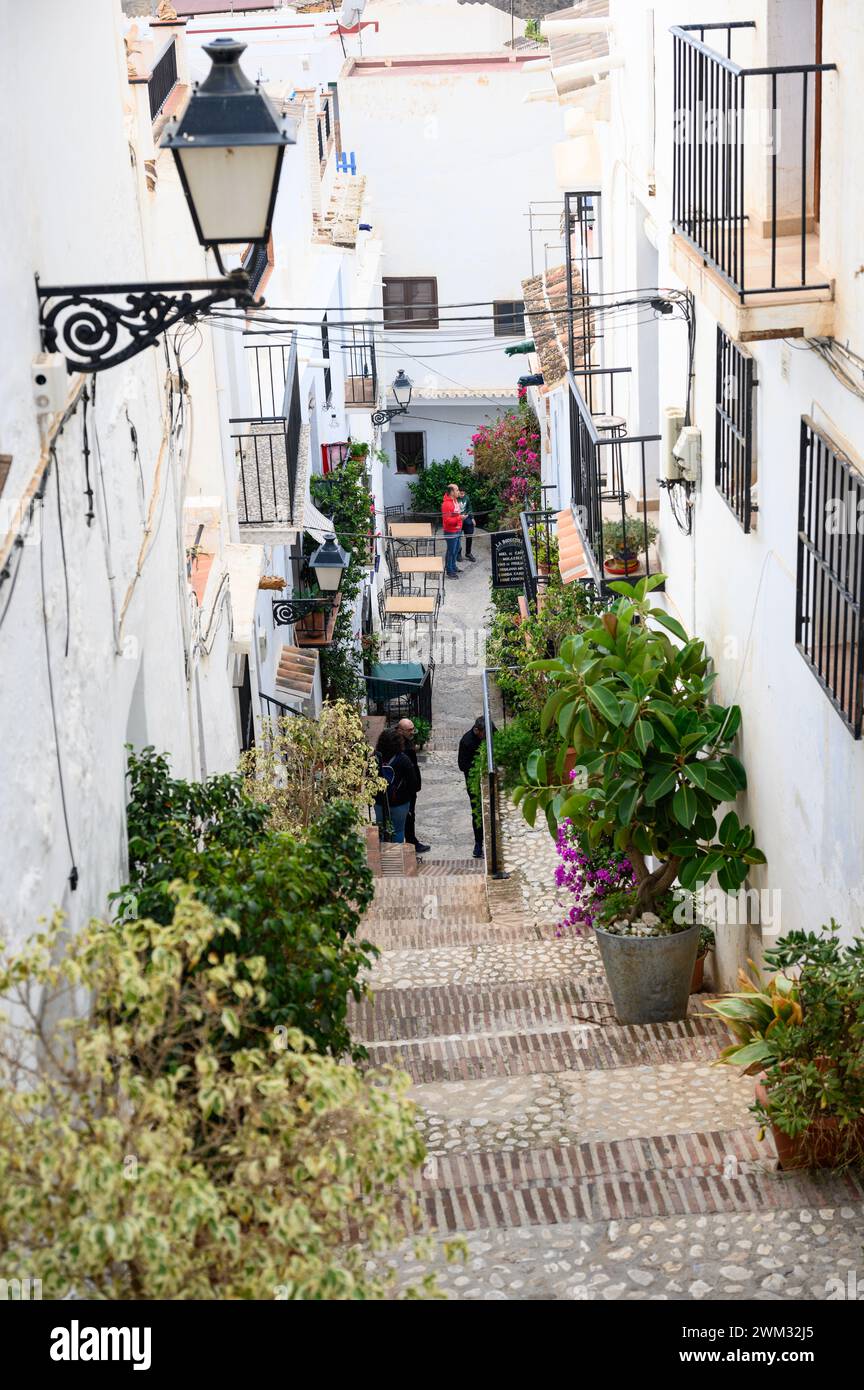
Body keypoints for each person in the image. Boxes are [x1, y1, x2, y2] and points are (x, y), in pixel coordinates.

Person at [373, 726, 419, 845]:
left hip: (380, 801)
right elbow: (413, 783)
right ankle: (396, 853)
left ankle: (382, 852)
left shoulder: (375, 758)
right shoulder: (404, 759)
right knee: (398, 830)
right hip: (400, 801)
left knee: (381, 829)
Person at [397, 717, 430, 855]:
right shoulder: (399, 746)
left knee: (410, 815)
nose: (412, 732)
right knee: (408, 815)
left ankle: (411, 840)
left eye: (413, 729)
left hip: (410, 786)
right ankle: (410, 842)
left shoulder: (406, 742)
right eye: (409, 730)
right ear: (401, 730)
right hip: (404, 788)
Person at [458, 715, 488, 858]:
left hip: (488, 777)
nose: (486, 736)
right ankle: (478, 843)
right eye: (484, 734)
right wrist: (478, 767)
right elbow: (462, 765)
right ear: (477, 730)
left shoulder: (490, 730)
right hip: (473, 781)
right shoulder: (466, 741)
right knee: (477, 811)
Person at [441, 483, 463, 579]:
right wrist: (460, 518)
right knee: (451, 551)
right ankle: (449, 571)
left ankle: (453, 566)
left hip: (457, 530)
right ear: (451, 492)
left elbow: (456, 515)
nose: (459, 492)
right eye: (457, 490)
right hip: (450, 531)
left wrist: (460, 519)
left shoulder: (455, 501)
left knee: (456, 549)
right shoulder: (446, 504)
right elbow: (447, 520)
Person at [457, 487, 476, 563]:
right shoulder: (455, 499)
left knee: (469, 533)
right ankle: (458, 553)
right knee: (457, 536)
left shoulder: (467, 498)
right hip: (458, 518)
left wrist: (472, 518)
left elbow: (469, 508)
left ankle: (468, 553)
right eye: (461, 493)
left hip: (466, 517)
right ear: (458, 492)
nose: (462, 495)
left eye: (463, 493)